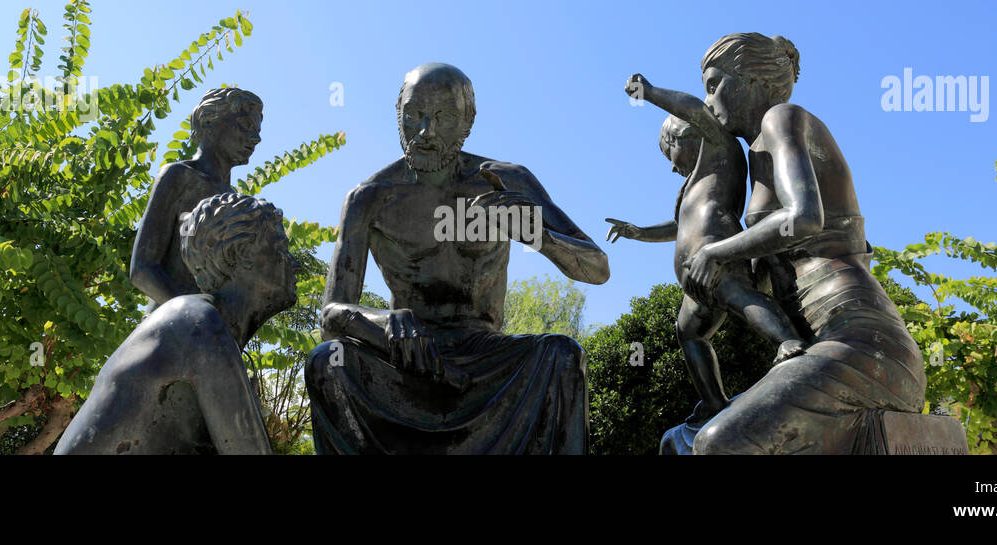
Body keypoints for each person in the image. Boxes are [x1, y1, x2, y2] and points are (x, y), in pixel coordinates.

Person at [633, 33, 925, 454]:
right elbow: (765, 277)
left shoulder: (782, 119)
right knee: (678, 443)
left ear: (752, 80)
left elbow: (804, 218)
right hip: (823, 346)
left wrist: (717, 252)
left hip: (864, 344)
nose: (709, 100)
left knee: (718, 442)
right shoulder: (755, 158)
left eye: (714, 84)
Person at [303, 63, 609, 454]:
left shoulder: (507, 180)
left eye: (443, 117)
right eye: (413, 116)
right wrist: (385, 321)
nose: (425, 131)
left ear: (469, 121)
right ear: (397, 114)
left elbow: (597, 268)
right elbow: (331, 313)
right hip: (407, 365)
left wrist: (537, 234)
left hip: (488, 361)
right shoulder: (370, 198)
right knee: (328, 361)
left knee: (562, 356)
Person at [605, 112, 807, 454]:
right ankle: (714, 401)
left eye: (669, 152)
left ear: (685, 135)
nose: (671, 166)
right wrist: (638, 232)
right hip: (694, 284)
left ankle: (787, 340)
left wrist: (650, 93)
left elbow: (691, 107)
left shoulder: (717, 155)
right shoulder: (692, 187)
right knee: (687, 333)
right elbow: (678, 229)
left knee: (740, 297)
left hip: (718, 259)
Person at [55, 193, 299, 455]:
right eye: (280, 249)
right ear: (240, 254)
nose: (294, 264)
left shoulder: (204, 326)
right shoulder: (196, 323)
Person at [130, 88, 262, 311]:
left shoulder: (236, 203)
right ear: (209, 121)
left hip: (215, 333)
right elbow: (142, 269)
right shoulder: (178, 176)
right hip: (168, 327)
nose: (256, 138)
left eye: (257, 131)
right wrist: (193, 317)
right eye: (246, 126)